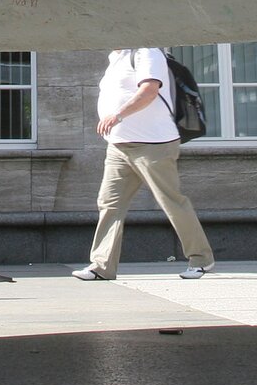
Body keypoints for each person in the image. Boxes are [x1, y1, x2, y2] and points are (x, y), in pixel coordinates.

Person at [71, 47, 216, 281]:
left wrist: (117, 115)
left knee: (171, 201)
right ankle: (101, 266)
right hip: (119, 145)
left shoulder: (147, 52)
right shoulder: (115, 58)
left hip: (153, 144)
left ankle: (201, 259)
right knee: (109, 204)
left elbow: (149, 91)